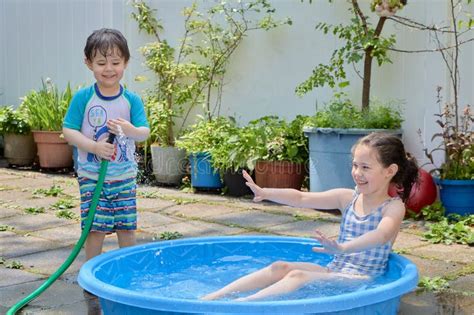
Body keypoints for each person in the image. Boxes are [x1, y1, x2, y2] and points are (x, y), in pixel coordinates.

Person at [202, 132, 419, 301]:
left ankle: (243, 306)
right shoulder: (347, 198)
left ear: (389, 171)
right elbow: (302, 198)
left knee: (298, 276)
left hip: (360, 279)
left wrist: (343, 248)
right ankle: (214, 298)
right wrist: (266, 192)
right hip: (335, 270)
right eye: (354, 165)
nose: (357, 173)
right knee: (281, 267)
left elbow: (381, 235)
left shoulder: (393, 207)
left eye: (365, 167)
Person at [63, 28, 150, 262]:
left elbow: (144, 133)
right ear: (89, 63)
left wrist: (129, 130)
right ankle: (91, 273)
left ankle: (127, 270)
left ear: (126, 63)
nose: (109, 69)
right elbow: (68, 130)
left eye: (115, 62)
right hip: (92, 176)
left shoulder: (131, 100)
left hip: (123, 176)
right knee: (95, 227)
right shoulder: (84, 98)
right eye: (101, 63)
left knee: (126, 226)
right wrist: (94, 148)